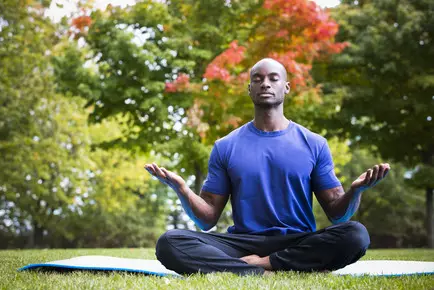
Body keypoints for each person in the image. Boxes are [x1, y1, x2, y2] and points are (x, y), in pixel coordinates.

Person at [144, 58, 390, 276]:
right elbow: (207, 219)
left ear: (286, 87)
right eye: (257, 79)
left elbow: (338, 215)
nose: (265, 83)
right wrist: (182, 189)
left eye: (274, 78)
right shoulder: (225, 146)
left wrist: (355, 191)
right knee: (170, 242)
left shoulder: (314, 143)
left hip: (297, 240)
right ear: (249, 88)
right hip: (242, 241)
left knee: (356, 235)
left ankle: (261, 265)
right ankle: (273, 268)